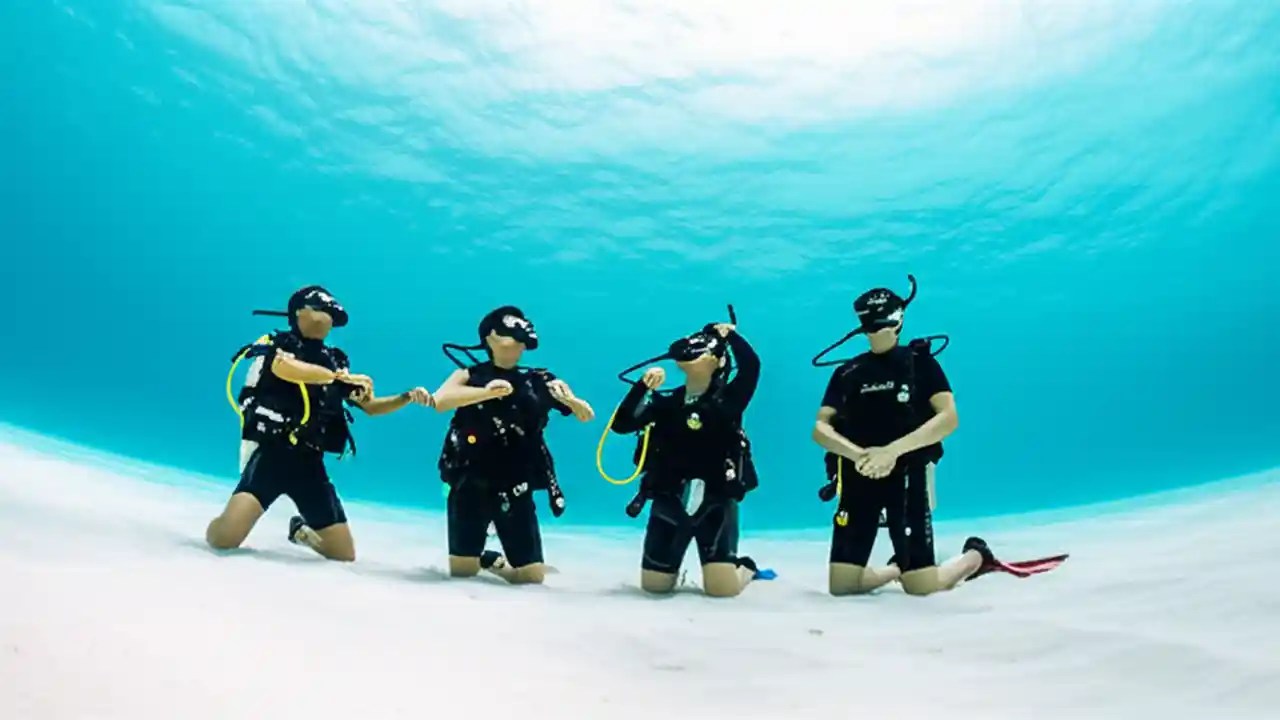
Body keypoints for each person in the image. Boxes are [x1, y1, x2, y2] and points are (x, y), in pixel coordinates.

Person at [811, 275, 1013, 596]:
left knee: (922, 588)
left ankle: (976, 556)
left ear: (899, 319)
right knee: (842, 586)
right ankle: (896, 566)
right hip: (856, 475)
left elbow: (948, 417)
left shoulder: (920, 362)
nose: (877, 327)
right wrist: (857, 455)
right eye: (870, 319)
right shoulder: (846, 372)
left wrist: (891, 452)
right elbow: (820, 428)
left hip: (908, 474)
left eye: (883, 318)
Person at [205, 285, 431, 561]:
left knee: (343, 554)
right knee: (223, 540)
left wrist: (406, 397)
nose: (330, 319)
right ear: (299, 311)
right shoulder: (278, 345)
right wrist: (338, 378)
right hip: (272, 457)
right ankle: (227, 518)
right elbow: (283, 368)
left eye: (332, 315)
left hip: (310, 463)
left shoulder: (335, 361)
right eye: (324, 311)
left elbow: (371, 407)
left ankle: (300, 532)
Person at [607, 315, 771, 598]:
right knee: (654, 587)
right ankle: (676, 567)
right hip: (668, 500)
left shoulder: (728, 401)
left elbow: (751, 367)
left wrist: (730, 336)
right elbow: (621, 425)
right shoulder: (667, 403)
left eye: (705, 348)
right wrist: (642, 389)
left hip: (716, 501)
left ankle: (745, 569)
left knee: (722, 591)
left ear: (718, 362)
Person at [431, 305, 595, 585]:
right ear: (489, 337)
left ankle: (498, 565)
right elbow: (440, 400)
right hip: (469, 479)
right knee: (462, 574)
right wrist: (485, 392)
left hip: (516, 481)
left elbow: (586, 415)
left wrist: (571, 402)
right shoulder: (470, 375)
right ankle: (484, 560)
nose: (517, 342)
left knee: (531, 579)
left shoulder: (540, 379)